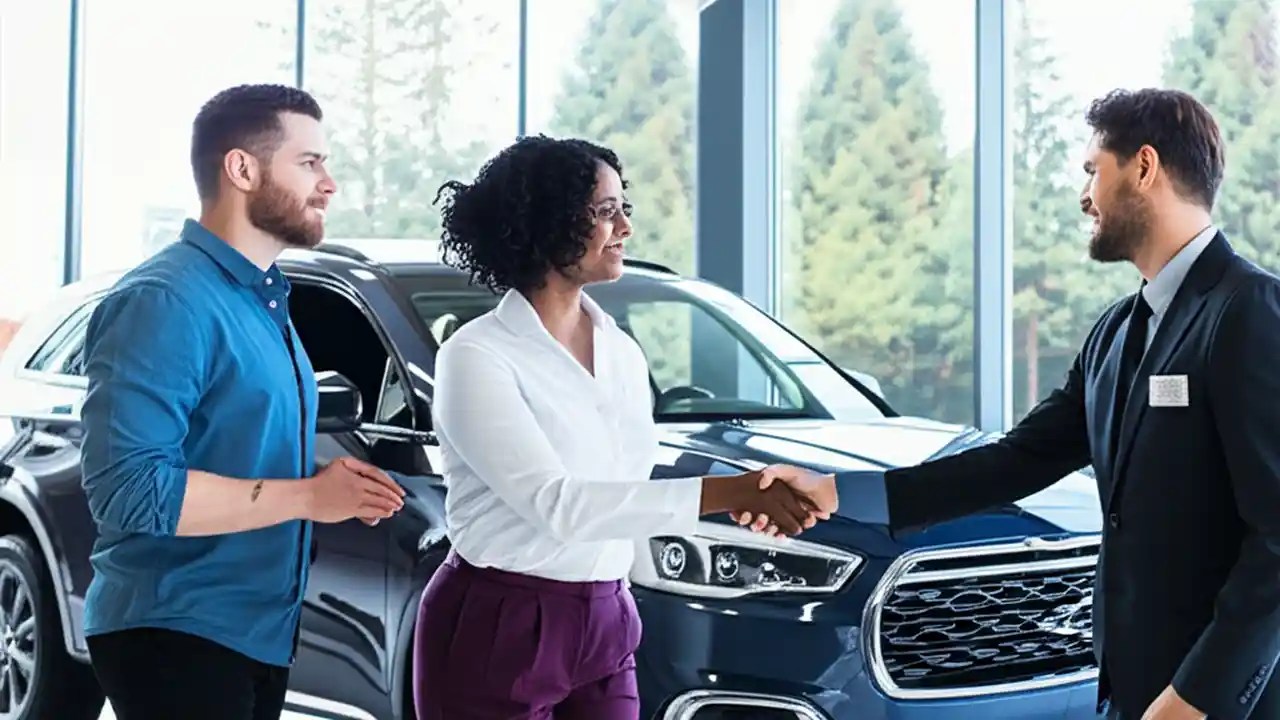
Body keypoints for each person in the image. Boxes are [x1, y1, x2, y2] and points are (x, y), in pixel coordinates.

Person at [748, 88, 1280, 720]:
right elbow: (1016, 461)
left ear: (1143, 167)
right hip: (1129, 691)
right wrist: (837, 491)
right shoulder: (1114, 332)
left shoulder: (1250, 311)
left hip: (1216, 701)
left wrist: (1198, 697)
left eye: (1092, 172)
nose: (1084, 196)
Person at [412, 135, 838, 720]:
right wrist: (728, 494)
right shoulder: (477, 355)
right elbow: (558, 505)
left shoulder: (621, 350)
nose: (624, 229)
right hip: (500, 622)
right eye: (605, 211)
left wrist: (743, 498)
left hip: (608, 618)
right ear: (549, 220)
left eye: (623, 209)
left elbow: (627, 484)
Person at [79, 84, 407, 720]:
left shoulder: (266, 300)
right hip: (176, 630)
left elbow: (229, 449)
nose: (329, 183)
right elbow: (129, 491)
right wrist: (309, 498)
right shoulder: (163, 301)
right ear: (242, 168)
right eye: (310, 162)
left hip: (257, 633)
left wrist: (328, 487)